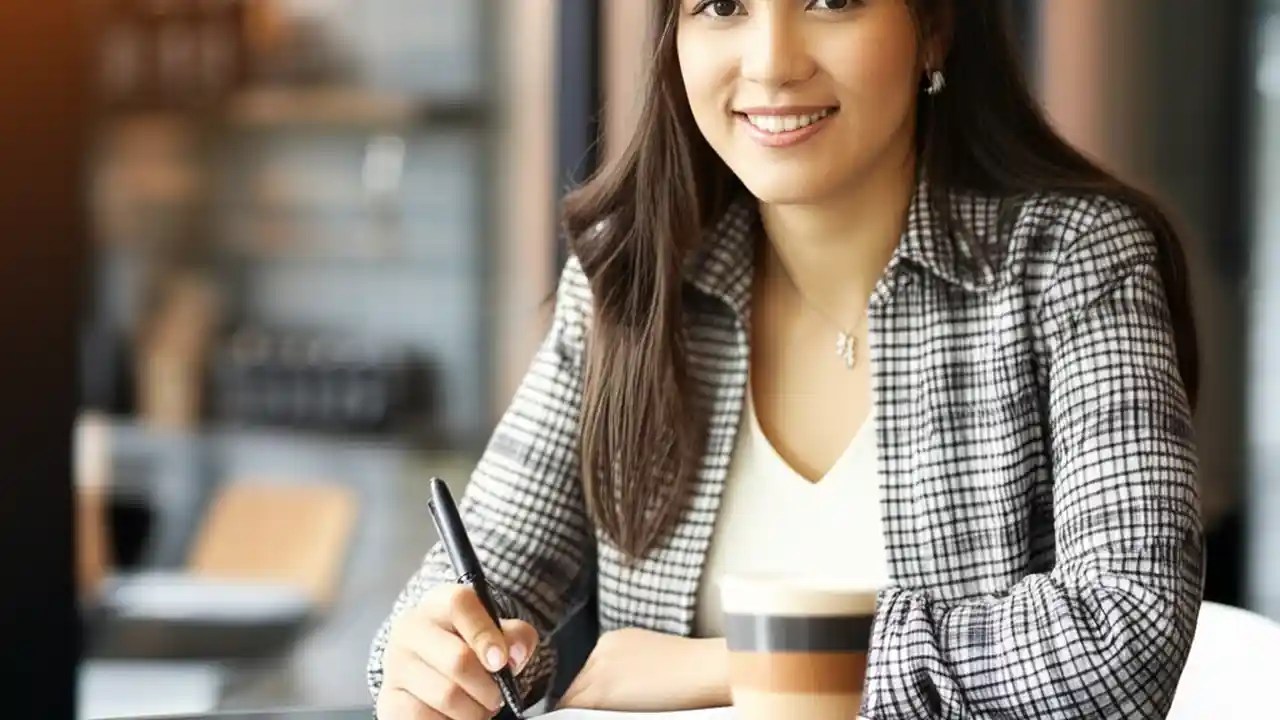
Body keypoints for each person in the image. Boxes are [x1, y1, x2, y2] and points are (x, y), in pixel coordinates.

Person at [368, 1, 1203, 718]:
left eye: (832, 0)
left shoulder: (1073, 262)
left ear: (934, 30)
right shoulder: (632, 279)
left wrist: (738, 665)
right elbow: (472, 591)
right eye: (722, 5)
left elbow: (1122, 638)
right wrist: (436, 654)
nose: (771, 63)